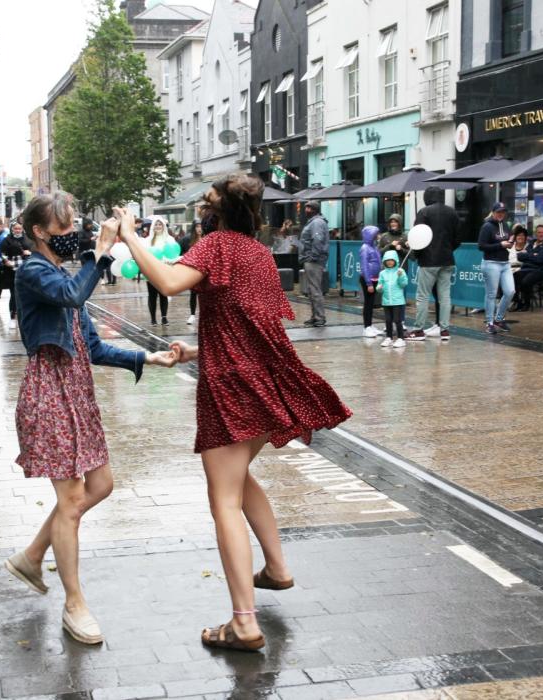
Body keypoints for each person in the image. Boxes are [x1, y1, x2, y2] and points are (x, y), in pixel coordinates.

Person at [118, 174, 351, 652]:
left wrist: (130, 237)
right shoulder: (258, 253)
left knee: (223, 500)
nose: (203, 210)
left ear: (217, 210)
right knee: (240, 480)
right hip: (260, 381)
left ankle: (244, 623)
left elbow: (166, 282)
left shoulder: (217, 245)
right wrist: (199, 351)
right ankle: (277, 569)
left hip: (229, 390)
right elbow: (249, 326)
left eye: (207, 203)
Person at [3, 193, 178, 646]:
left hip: (78, 395)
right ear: (40, 232)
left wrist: (148, 357)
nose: (71, 238)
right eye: (63, 231)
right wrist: (98, 253)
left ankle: (33, 555)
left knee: (99, 486)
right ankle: (74, 604)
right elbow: (72, 293)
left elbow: (94, 348)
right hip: (50, 393)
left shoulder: (62, 271)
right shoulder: (35, 272)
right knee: (71, 500)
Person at [408, 187, 459, 341]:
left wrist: (416, 256)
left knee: (422, 296)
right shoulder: (452, 212)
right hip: (447, 259)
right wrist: (448, 249)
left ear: (427, 197)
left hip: (429, 260)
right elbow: (457, 238)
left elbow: (418, 237)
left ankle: (418, 330)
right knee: (445, 296)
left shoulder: (424, 212)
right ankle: (444, 330)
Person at [478, 202, 515, 334]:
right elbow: (481, 246)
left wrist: (510, 243)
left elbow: (507, 240)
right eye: (498, 212)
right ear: (493, 212)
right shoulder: (487, 227)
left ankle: (499, 319)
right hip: (491, 263)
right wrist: (501, 245)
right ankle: (489, 322)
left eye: (503, 212)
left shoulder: (505, 225)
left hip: (505, 263)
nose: (501, 214)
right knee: (491, 294)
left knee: (510, 291)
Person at [299, 202, 329, 327]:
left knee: (315, 289)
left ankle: (319, 317)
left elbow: (318, 240)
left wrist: (313, 257)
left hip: (314, 261)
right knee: (312, 290)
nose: (306, 210)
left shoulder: (317, 222)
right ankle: (315, 316)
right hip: (310, 259)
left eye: (308, 208)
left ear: (314, 209)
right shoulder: (313, 222)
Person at [0, 221, 32, 329]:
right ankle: (13, 317)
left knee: (27, 295)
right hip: (12, 270)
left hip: (26, 269)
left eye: (19, 229)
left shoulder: (28, 239)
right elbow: (1, 254)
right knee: (14, 294)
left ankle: (25, 318)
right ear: (12, 229)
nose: (17, 230)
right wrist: (6, 262)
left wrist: (29, 253)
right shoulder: (7, 240)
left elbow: (35, 250)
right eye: (15, 229)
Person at [512, 224, 543, 312]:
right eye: (539, 232)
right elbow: (520, 256)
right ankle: (518, 302)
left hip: (540, 270)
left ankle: (526, 303)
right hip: (526, 268)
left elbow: (540, 259)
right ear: (536, 233)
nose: (541, 234)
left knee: (526, 281)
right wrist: (533, 255)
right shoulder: (531, 243)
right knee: (513, 278)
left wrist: (527, 255)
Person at [146, 216, 174, 326]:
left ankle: (164, 317)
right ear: (153, 227)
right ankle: (153, 318)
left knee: (163, 294)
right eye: (156, 224)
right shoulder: (148, 241)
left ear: (163, 226)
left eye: (160, 224)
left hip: (164, 270)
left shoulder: (169, 239)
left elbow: (173, 254)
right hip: (151, 270)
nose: (158, 226)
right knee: (152, 295)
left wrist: (168, 260)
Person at [377, 249, 408, 347]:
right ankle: (389, 338)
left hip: (397, 301)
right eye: (387, 260)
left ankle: (400, 339)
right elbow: (379, 286)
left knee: (397, 320)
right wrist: (379, 288)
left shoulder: (400, 271)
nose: (389, 262)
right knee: (388, 320)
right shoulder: (382, 273)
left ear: (395, 260)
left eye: (392, 260)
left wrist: (400, 276)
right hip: (386, 302)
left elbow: (403, 284)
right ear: (384, 261)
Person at [358, 225, 383, 338]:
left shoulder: (374, 247)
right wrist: (368, 283)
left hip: (375, 278)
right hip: (368, 279)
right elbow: (364, 266)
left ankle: (370, 325)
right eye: (376, 234)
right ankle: (366, 327)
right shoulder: (365, 248)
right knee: (368, 304)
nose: (378, 236)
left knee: (371, 303)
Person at [182, 220, 203, 324]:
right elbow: (181, 251)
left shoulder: (207, 238)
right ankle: (192, 314)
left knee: (204, 294)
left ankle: (203, 314)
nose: (199, 229)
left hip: (205, 270)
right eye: (197, 226)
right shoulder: (188, 240)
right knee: (193, 293)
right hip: (193, 269)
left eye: (201, 226)